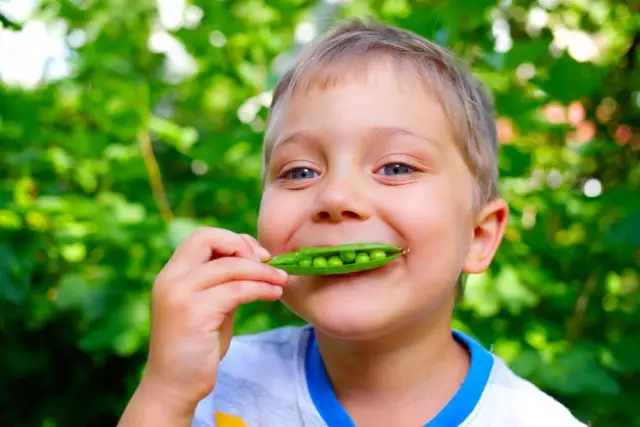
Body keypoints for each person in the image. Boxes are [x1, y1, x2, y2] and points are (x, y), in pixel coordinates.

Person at [118, 19, 587, 427]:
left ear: (479, 236)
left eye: (396, 167)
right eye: (300, 172)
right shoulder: (214, 381)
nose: (336, 197)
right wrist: (166, 390)